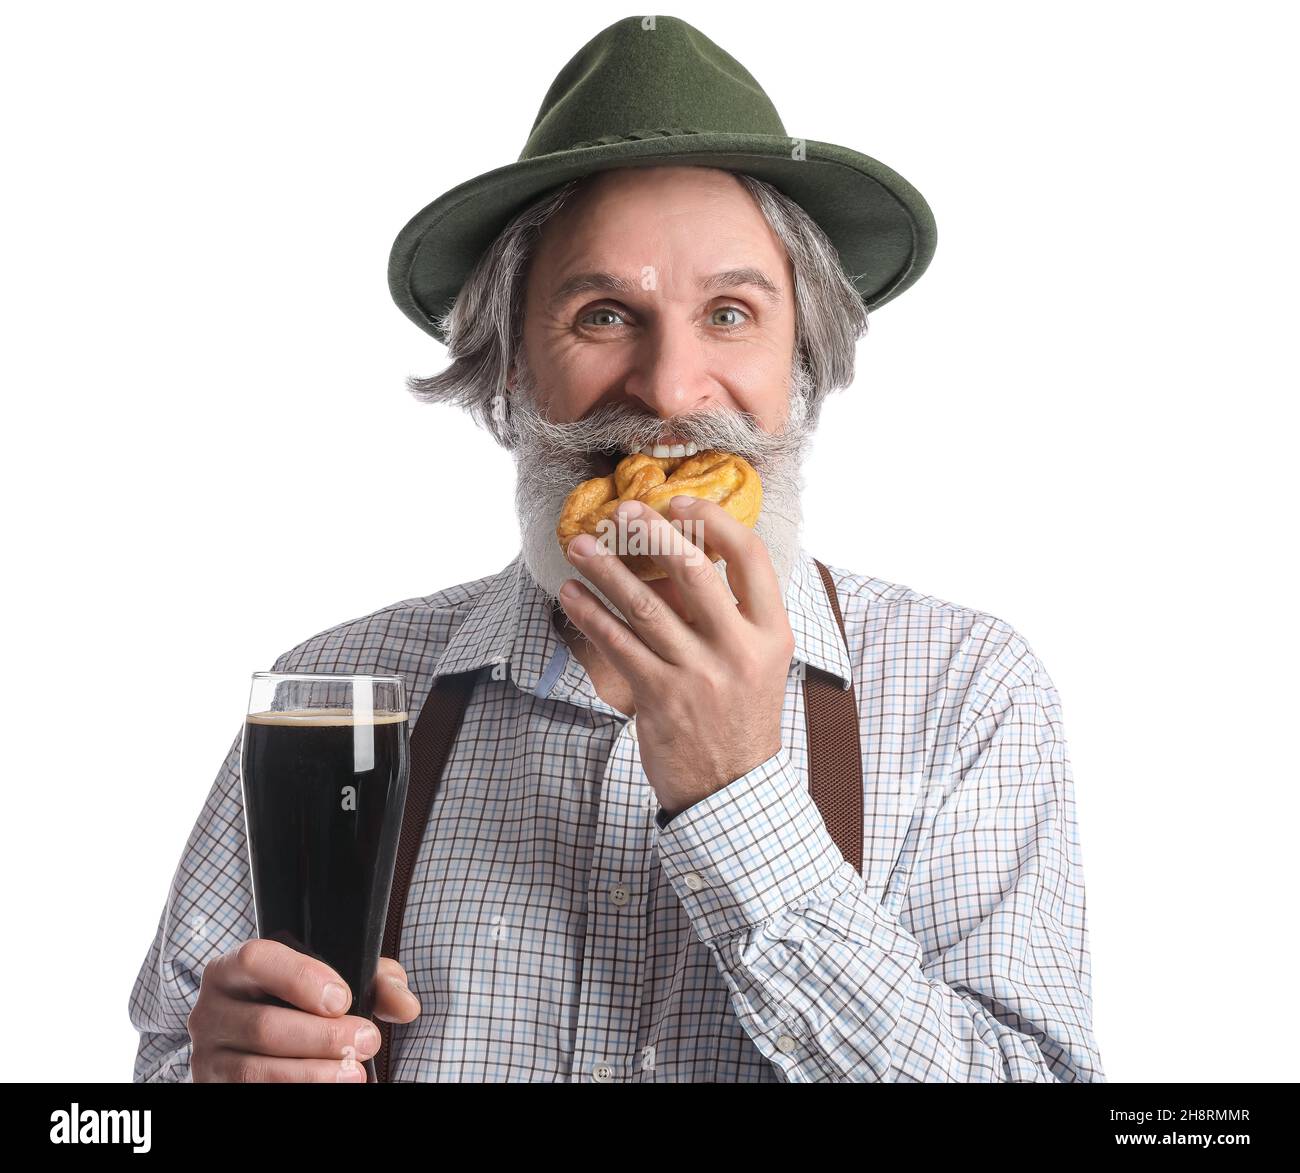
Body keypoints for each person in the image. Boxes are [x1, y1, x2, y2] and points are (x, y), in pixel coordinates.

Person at [129, 15, 1104, 1083]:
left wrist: (734, 788)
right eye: (602, 316)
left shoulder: (966, 688)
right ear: (509, 366)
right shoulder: (341, 700)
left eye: (730, 312)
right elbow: (167, 1068)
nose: (670, 390)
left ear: (802, 361)